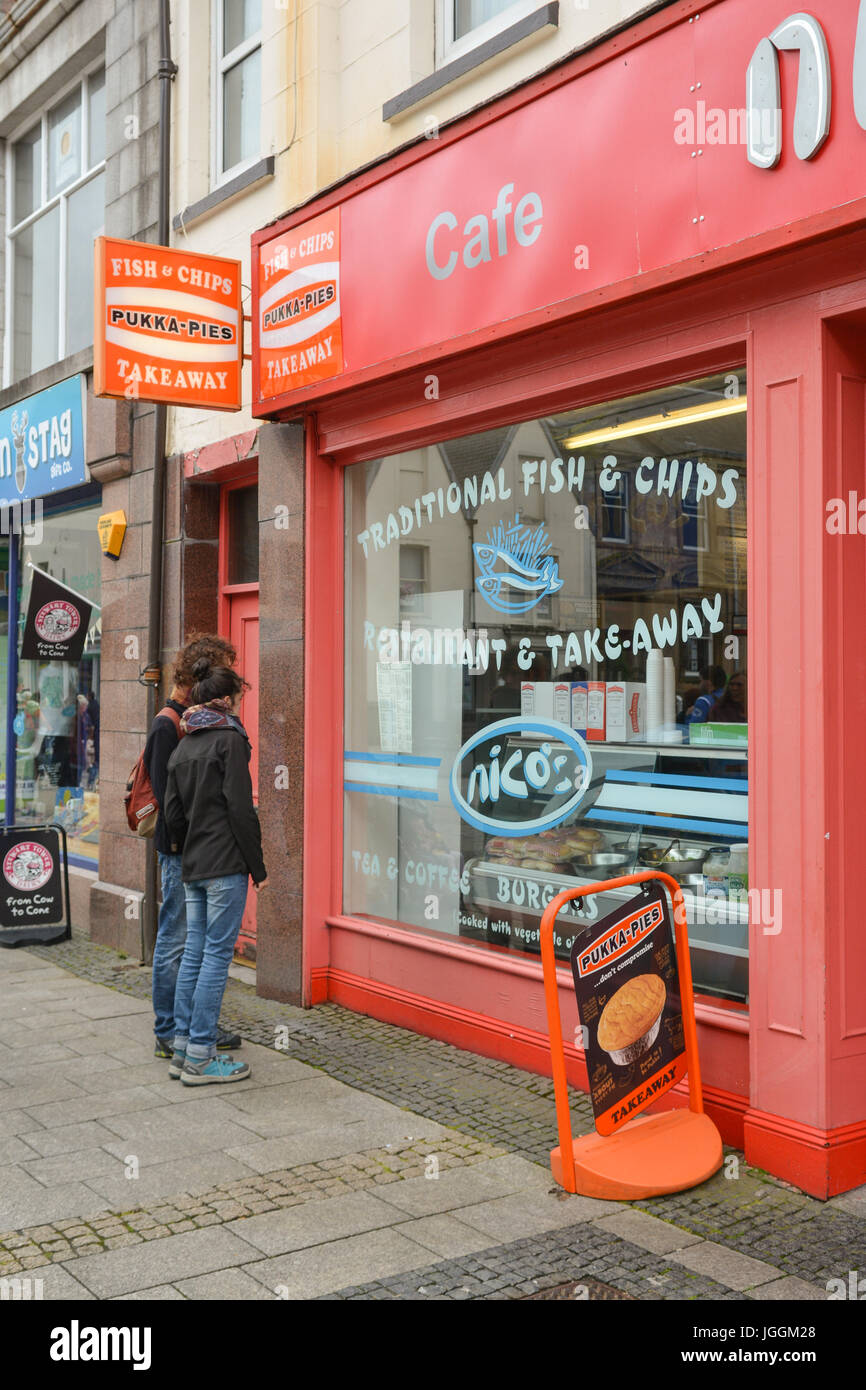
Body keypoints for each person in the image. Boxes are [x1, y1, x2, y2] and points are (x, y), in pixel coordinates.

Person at [164, 659, 267, 1085]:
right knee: (216, 956)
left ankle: (183, 1049)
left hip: (194, 864)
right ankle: (204, 1057)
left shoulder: (183, 745)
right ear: (227, 700)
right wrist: (258, 867)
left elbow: (172, 816)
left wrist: (190, 848)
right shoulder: (230, 740)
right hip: (225, 865)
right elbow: (241, 809)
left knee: (194, 952)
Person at [144, 634, 241, 1060]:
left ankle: (190, 1027)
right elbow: (170, 800)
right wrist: (189, 846)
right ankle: (169, 1029)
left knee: (194, 943)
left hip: (197, 848)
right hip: (181, 849)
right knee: (177, 939)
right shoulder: (169, 722)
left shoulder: (195, 719)